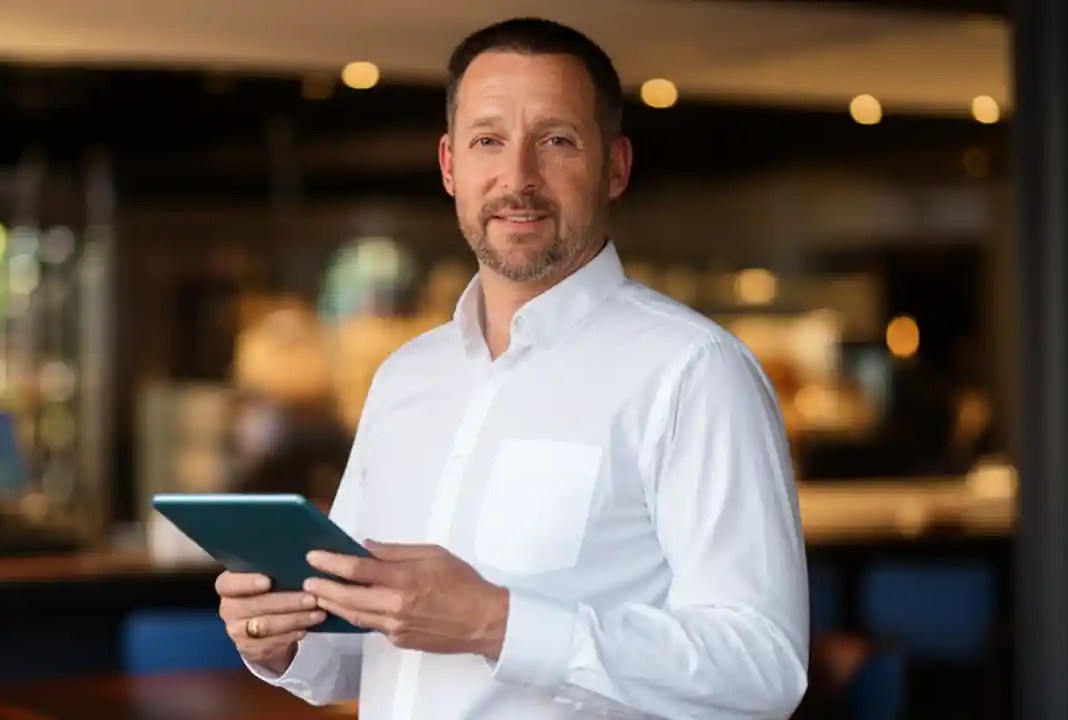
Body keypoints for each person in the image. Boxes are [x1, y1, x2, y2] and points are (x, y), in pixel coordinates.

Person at [215, 17, 809, 719]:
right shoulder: (405, 377)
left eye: (557, 141)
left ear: (615, 167)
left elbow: (764, 667)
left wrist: (496, 622)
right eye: (487, 141)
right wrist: (280, 639)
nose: (518, 178)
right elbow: (357, 647)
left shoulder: (694, 372)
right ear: (449, 166)